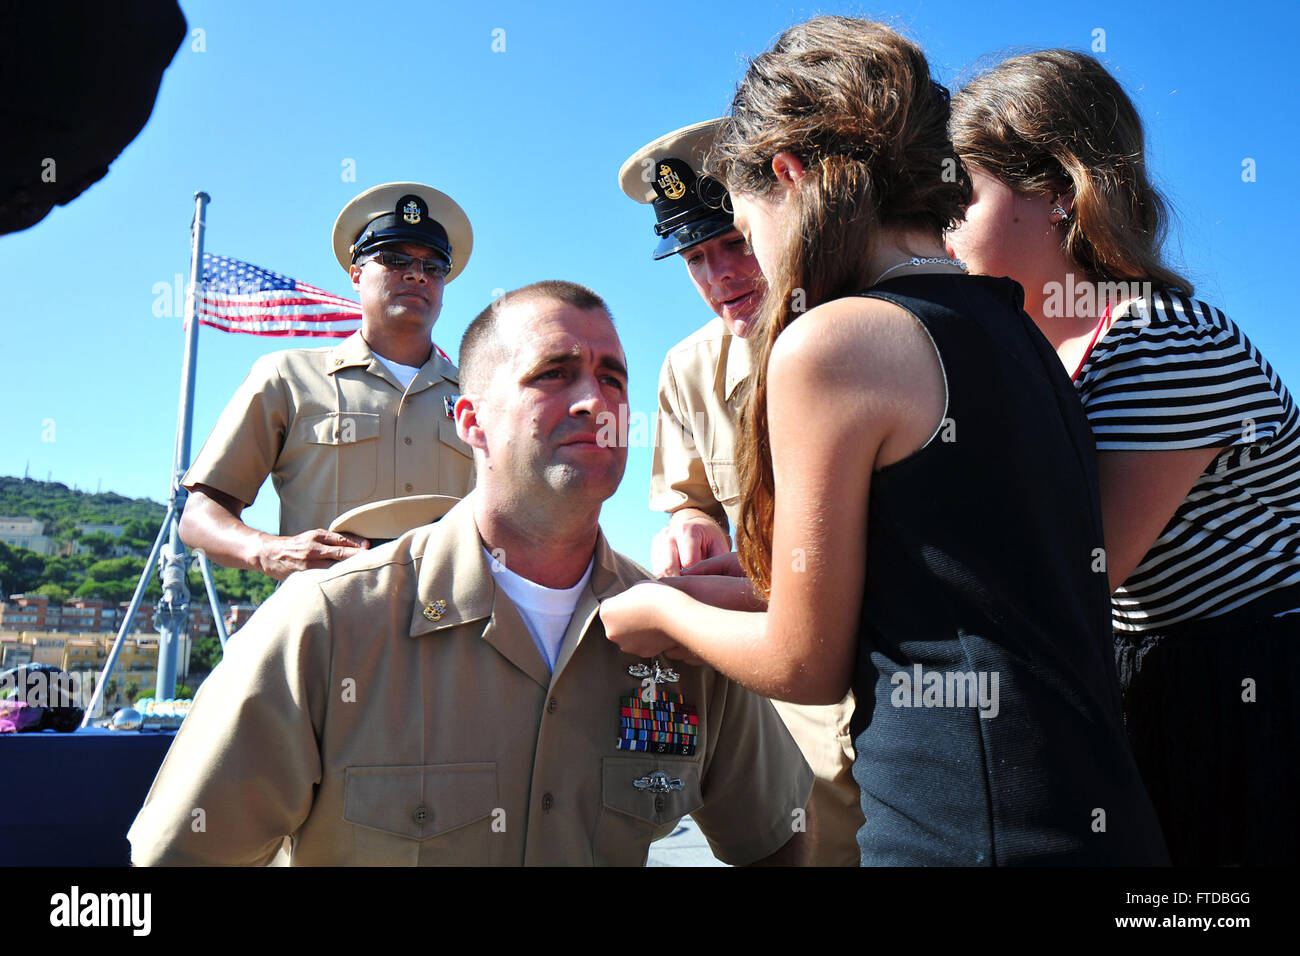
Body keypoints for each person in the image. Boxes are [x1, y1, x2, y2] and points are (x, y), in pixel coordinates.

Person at [600, 15, 1170, 865]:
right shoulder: (1018, 331)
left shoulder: (833, 344)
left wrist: (653, 610)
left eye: (745, 232)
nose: (742, 261)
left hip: (961, 834)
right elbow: (946, 600)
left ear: (787, 174)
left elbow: (806, 665)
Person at [128, 281, 813, 866]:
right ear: (471, 422)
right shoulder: (329, 625)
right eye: (553, 373)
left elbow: (779, 843)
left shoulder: (684, 636)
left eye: (612, 377)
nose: (592, 401)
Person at [945, 49, 1300, 866]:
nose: (944, 220)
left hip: (1253, 689)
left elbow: (1068, 575)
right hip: (1161, 680)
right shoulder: (1048, 360)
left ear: (1060, 193)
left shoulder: (1158, 338)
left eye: (960, 192)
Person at [619, 120, 862, 866]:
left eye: (731, 242)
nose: (720, 273)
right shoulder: (685, 371)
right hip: (774, 680)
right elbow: (687, 495)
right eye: (695, 257)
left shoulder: (862, 331)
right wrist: (693, 524)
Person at [178, 182, 476, 581]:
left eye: (433, 267)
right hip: (328, 629)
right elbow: (199, 518)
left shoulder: (478, 397)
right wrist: (269, 550)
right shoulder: (286, 377)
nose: (417, 275)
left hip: (450, 629)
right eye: (394, 259)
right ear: (356, 275)